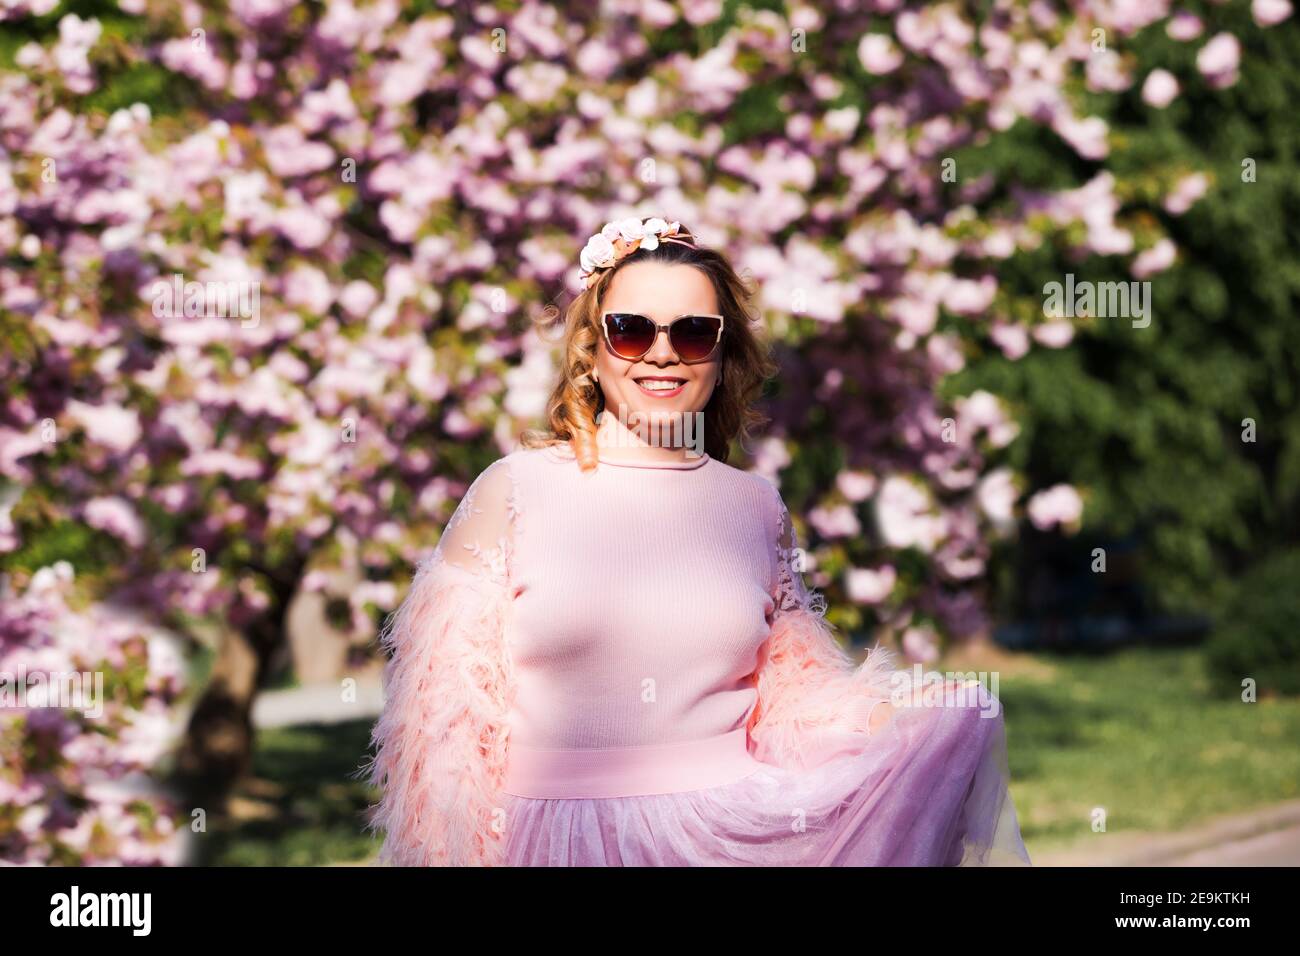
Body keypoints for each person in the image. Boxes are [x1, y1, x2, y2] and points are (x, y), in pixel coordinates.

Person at [361, 216, 1031, 866]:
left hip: (729, 836)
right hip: (550, 842)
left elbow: (792, 702)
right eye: (629, 331)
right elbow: (443, 734)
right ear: (591, 352)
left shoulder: (754, 505)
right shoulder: (512, 491)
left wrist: (918, 720)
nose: (661, 352)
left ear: (721, 351)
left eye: (691, 333)